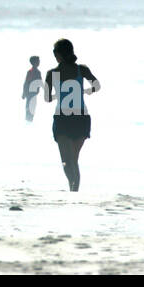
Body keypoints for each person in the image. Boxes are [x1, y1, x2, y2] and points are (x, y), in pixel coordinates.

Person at [44, 38, 100, 192]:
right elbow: (97, 85)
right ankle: (74, 190)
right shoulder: (82, 70)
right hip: (81, 118)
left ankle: (72, 189)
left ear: (57, 55)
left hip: (63, 118)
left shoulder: (52, 73)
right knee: (74, 160)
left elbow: (47, 98)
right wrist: (85, 92)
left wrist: (59, 94)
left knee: (66, 161)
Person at [22, 55, 43, 122]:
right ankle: (28, 121)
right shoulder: (35, 72)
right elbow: (27, 82)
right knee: (30, 108)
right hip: (31, 93)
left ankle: (28, 121)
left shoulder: (32, 71)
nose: (39, 62)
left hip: (31, 93)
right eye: (38, 61)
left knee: (30, 108)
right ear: (35, 62)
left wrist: (24, 93)